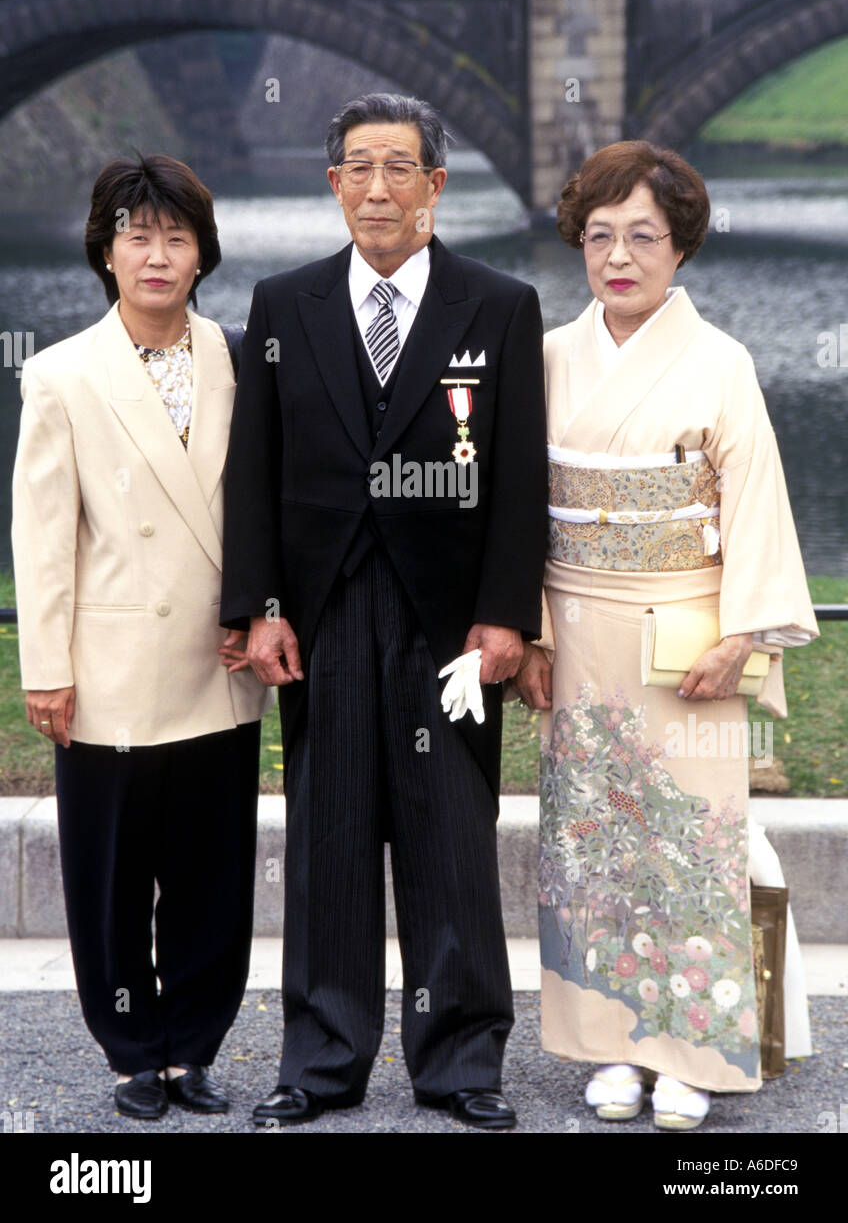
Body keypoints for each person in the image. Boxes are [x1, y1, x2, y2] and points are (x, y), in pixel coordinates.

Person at [219, 93, 548, 1130]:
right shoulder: (283, 304)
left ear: (435, 186)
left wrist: (505, 614)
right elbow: (254, 473)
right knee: (328, 835)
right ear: (332, 185)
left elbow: (515, 473)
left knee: (450, 833)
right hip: (322, 611)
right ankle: (320, 1059)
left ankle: (459, 1062)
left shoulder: (496, 305)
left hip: (447, 621)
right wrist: (258, 606)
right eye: (356, 168)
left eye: (398, 168)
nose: (376, 189)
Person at [514, 140, 818, 1130]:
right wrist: (531, 630)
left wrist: (745, 634)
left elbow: (758, 507)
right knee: (592, 841)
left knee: (692, 844)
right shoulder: (550, 354)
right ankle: (608, 1046)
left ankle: (694, 1054)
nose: (617, 255)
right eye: (599, 235)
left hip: (688, 633)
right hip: (578, 622)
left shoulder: (719, 361)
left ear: (679, 246)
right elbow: (519, 507)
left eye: (642, 235)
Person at [11, 154, 272, 1121]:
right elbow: (41, 538)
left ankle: (193, 1047)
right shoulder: (61, 374)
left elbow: (269, 510)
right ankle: (131, 1049)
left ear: (202, 252)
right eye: (136, 235)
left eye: (175, 236)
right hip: (111, 665)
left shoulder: (246, 358)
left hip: (218, 661)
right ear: (106, 252)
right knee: (112, 878)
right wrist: (47, 666)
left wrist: (265, 608)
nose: (156, 255)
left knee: (212, 877)